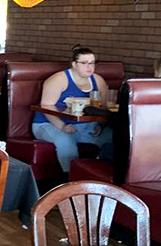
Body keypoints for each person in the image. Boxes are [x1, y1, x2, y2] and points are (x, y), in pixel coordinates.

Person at [32, 44, 112, 174]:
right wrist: (63, 126)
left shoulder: (98, 80)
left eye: (92, 63)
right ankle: (70, 178)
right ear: (74, 64)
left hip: (84, 125)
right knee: (65, 142)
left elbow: (102, 107)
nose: (89, 67)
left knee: (112, 137)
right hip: (48, 123)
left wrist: (101, 124)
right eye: (84, 63)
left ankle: (103, 177)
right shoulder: (58, 79)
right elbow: (46, 106)